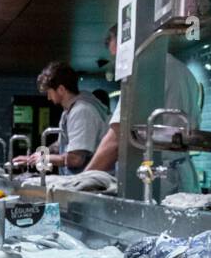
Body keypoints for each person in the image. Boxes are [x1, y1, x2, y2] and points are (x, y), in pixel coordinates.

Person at [86, 24, 202, 193]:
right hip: (185, 177)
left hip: (157, 180)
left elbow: (117, 139)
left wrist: (82, 180)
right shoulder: (184, 71)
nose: (119, 63)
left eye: (119, 55)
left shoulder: (145, 72)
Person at [31, 62, 110, 173]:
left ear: (61, 89)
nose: (48, 98)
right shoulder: (69, 111)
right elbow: (61, 144)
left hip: (91, 184)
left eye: (49, 92)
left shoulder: (82, 111)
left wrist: (44, 158)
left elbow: (75, 159)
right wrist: (37, 156)